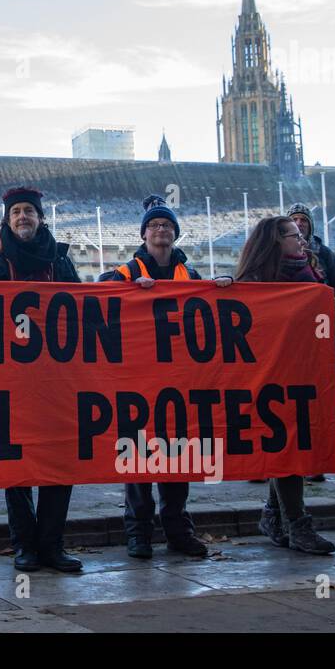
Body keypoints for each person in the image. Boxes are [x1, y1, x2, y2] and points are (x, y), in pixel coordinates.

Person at [100, 195, 231, 560]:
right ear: (143, 235)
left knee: (178, 458)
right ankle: (138, 534)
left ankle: (178, 532)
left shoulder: (189, 275)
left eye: (168, 226)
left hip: (179, 382)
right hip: (139, 381)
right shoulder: (126, 272)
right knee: (139, 461)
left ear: (175, 234)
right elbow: (98, 293)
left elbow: (209, 304)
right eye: (155, 226)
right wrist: (126, 288)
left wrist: (224, 288)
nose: (161, 230)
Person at [0, 187, 83, 573]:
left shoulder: (62, 261)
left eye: (29, 212)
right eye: (16, 212)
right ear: (7, 219)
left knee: (58, 460)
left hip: (55, 379)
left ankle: (52, 545)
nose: (22, 217)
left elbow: (84, 309)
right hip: (10, 378)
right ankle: (24, 545)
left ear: (40, 218)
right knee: (16, 463)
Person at [235, 216, 335, 555]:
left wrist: (330, 303)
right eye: (294, 235)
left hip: (305, 371)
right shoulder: (253, 281)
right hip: (270, 377)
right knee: (286, 446)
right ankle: (297, 525)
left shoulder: (310, 271)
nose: (302, 240)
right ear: (275, 241)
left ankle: (274, 515)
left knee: (294, 447)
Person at [286, 202, 335, 407]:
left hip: (320, 336)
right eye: (294, 220)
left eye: (303, 220)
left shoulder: (325, 254)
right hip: (286, 338)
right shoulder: (272, 256)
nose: (299, 223)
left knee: (319, 396)